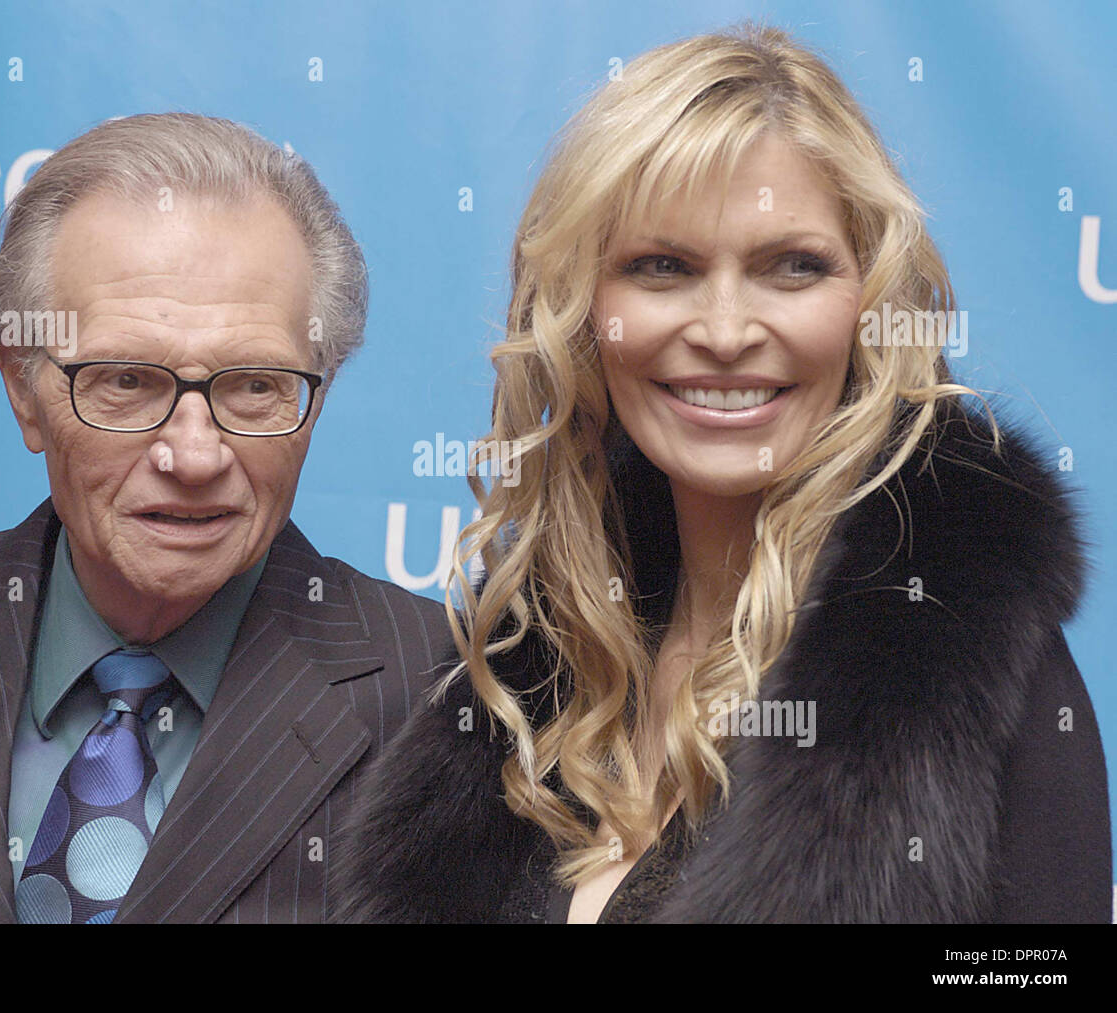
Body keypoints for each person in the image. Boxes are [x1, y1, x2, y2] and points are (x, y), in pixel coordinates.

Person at [330, 23, 1111, 923]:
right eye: (662, 267)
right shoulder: (535, 666)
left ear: (867, 303)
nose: (728, 329)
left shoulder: (959, 664)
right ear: (586, 308)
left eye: (792, 268)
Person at [0, 113, 451, 924]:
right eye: (127, 381)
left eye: (255, 385)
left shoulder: (455, 706)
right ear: (24, 389)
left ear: (315, 398)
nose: (194, 456)